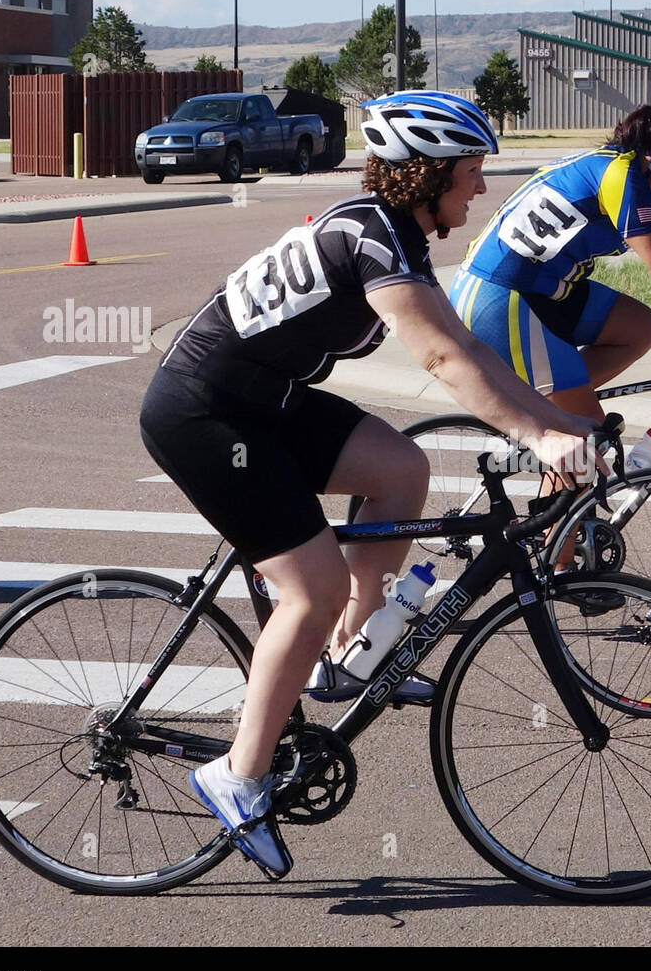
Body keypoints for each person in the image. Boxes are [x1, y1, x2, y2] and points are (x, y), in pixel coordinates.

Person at [139, 91, 604, 879]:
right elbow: (444, 361)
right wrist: (536, 436)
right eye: (471, 172)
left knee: (401, 469)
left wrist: (567, 429)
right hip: (205, 412)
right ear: (426, 174)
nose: (480, 189)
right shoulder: (370, 238)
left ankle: (344, 658)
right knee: (309, 591)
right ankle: (238, 774)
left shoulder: (392, 232)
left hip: (267, 400)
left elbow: (470, 351)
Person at [449, 97, 651, 425]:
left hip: (542, 290)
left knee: (639, 326)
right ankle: (560, 421)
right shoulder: (620, 174)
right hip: (500, 294)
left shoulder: (638, 177)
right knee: (584, 446)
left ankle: (553, 409)